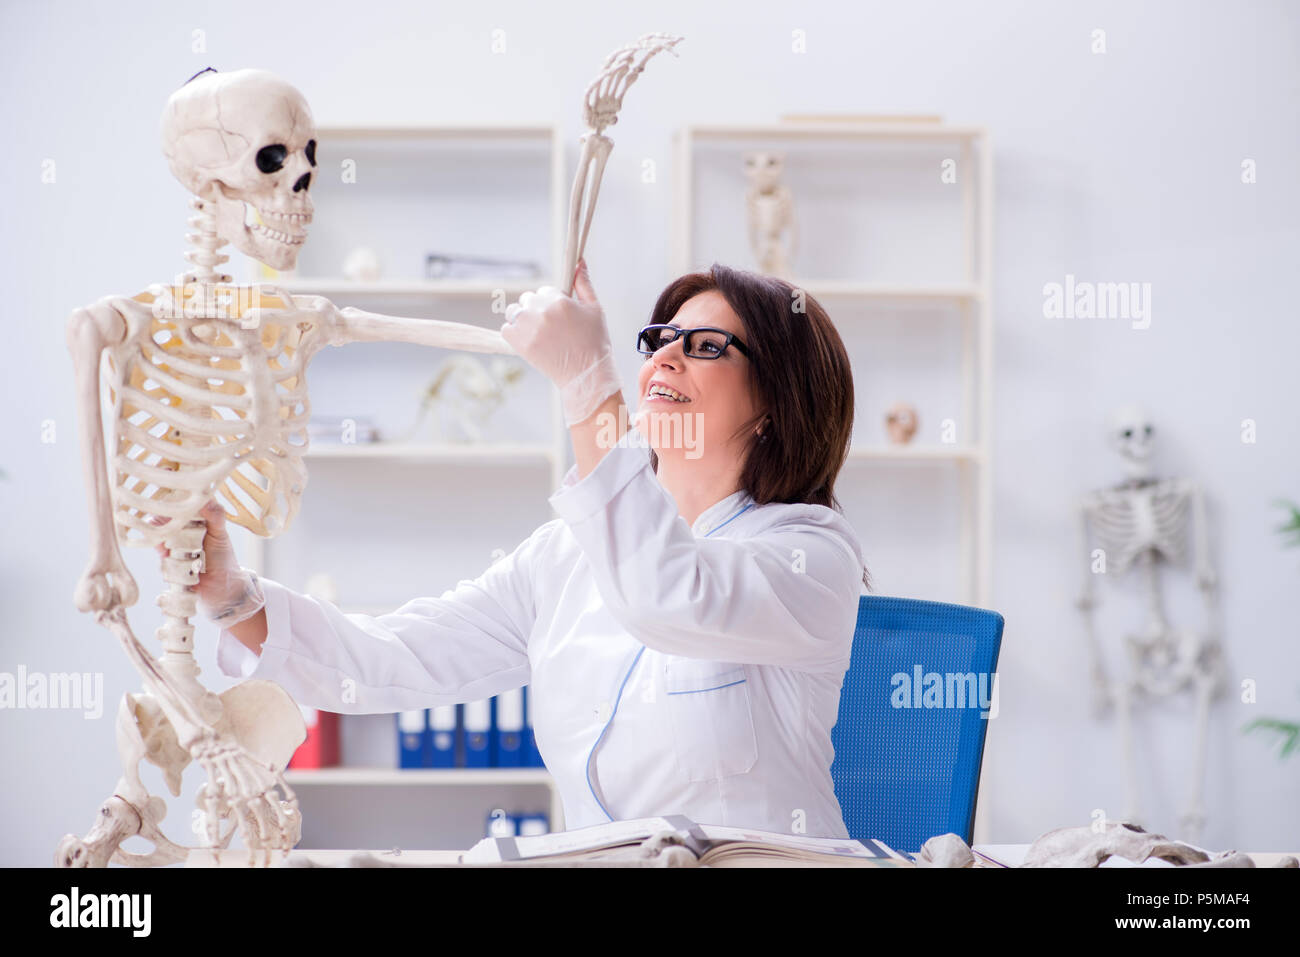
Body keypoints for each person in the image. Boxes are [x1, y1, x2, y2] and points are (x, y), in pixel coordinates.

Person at [198, 257, 869, 838]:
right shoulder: (565, 556)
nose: (664, 357)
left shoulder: (810, 557)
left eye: (706, 346)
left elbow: (665, 593)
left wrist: (586, 380)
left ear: (776, 402)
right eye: (659, 339)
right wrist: (232, 597)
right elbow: (390, 657)